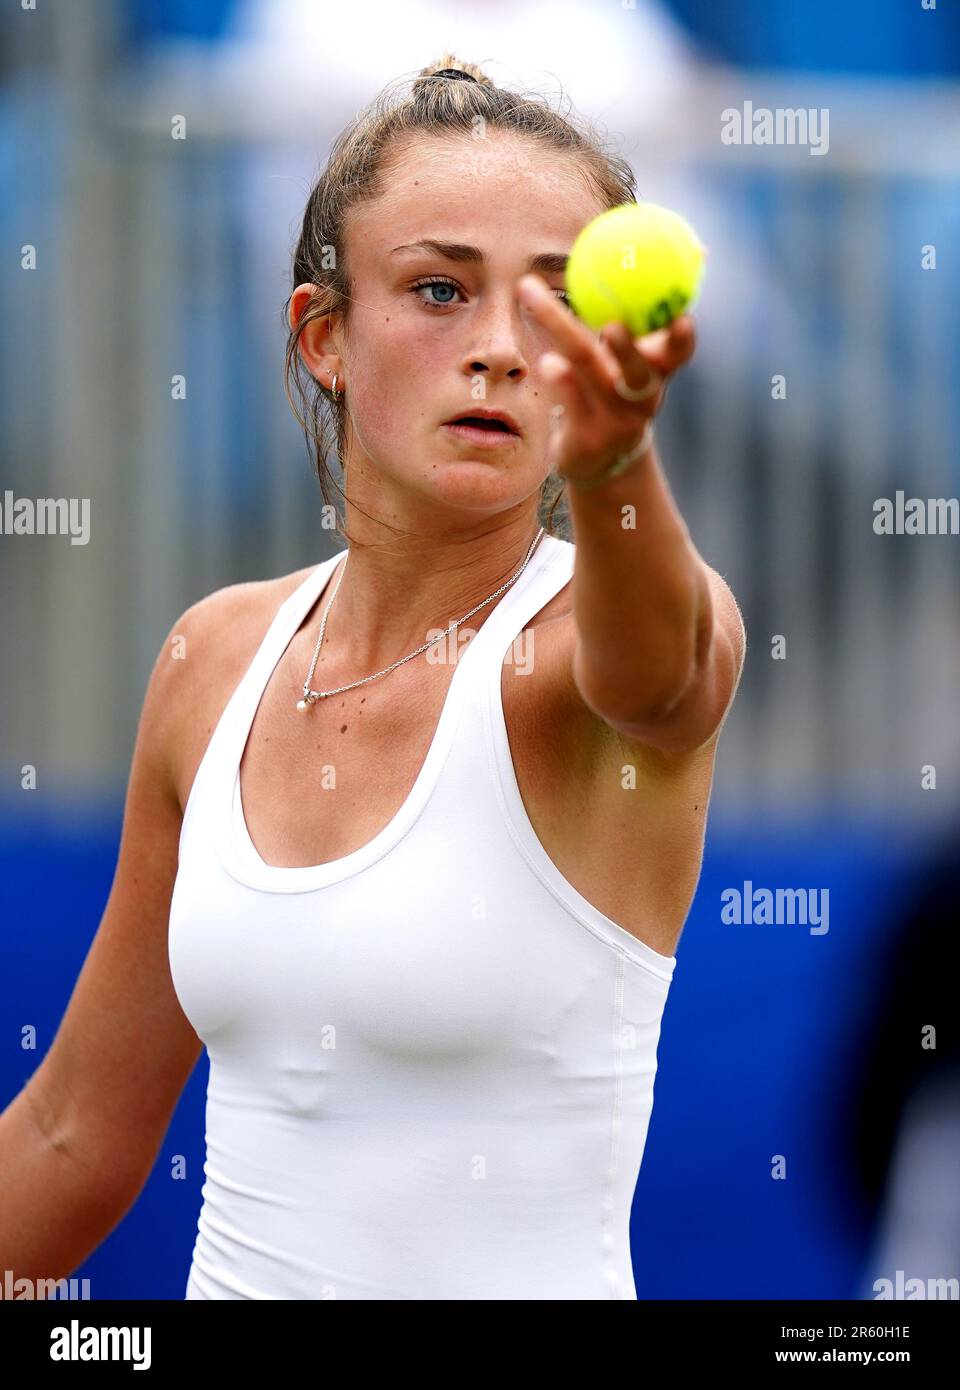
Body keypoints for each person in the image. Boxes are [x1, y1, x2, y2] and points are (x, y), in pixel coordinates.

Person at [0, 54, 745, 1300]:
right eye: (441, 289)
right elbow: (73, 1137)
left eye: (555, 305)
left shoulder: (584, 651)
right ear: (324, 336)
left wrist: (620, 466)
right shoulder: (212, 657)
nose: (503, 348)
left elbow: (666, 682)